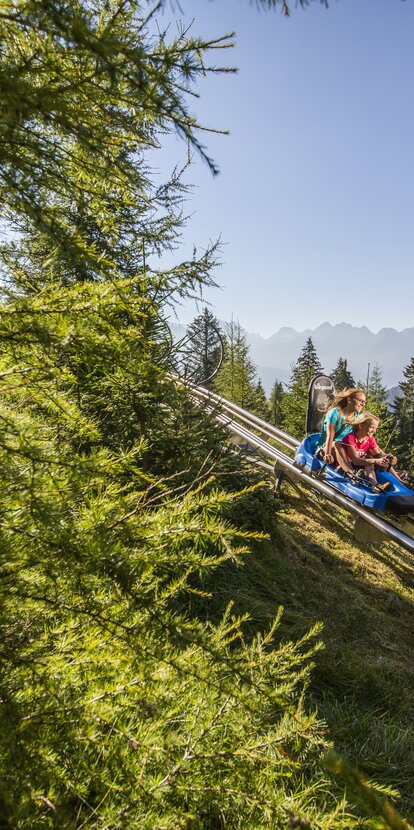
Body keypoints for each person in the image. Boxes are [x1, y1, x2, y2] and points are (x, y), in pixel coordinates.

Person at [339, 412, 401, 491]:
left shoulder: (370, 439)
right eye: (372, 427)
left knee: (376, 459)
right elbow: (355, 461)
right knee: (370, 463)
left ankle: (399, 482)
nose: (374, 431)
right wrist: (376, 461)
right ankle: (375, 486)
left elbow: (379, 454)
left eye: (375, 428)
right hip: (349, 467)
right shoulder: (350, 438)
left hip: (359, 465)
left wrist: (390, 458)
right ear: (361, 426)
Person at [315, 387, 366, 467]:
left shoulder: (357, 417)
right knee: (337, 444)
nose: (363, 404)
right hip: (327, 448)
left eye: (364, 402)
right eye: (360, 401)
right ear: (349, 400)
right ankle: (350, 473)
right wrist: (327, 454)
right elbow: (330, 435)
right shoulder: (335, 413)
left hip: (344, 450)